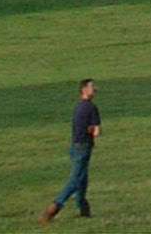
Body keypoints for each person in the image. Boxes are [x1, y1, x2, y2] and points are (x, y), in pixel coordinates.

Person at [41, 78, 99, 222]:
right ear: (84, 90)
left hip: (74, 146)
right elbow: (96, 131)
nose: (95, 89)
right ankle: (54, 208)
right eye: (92, 87)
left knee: (82, 179)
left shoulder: (78, 107)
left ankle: (84, 210)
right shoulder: (91, 108)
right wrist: (93, 130)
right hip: (84, 147)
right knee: (76, 180)